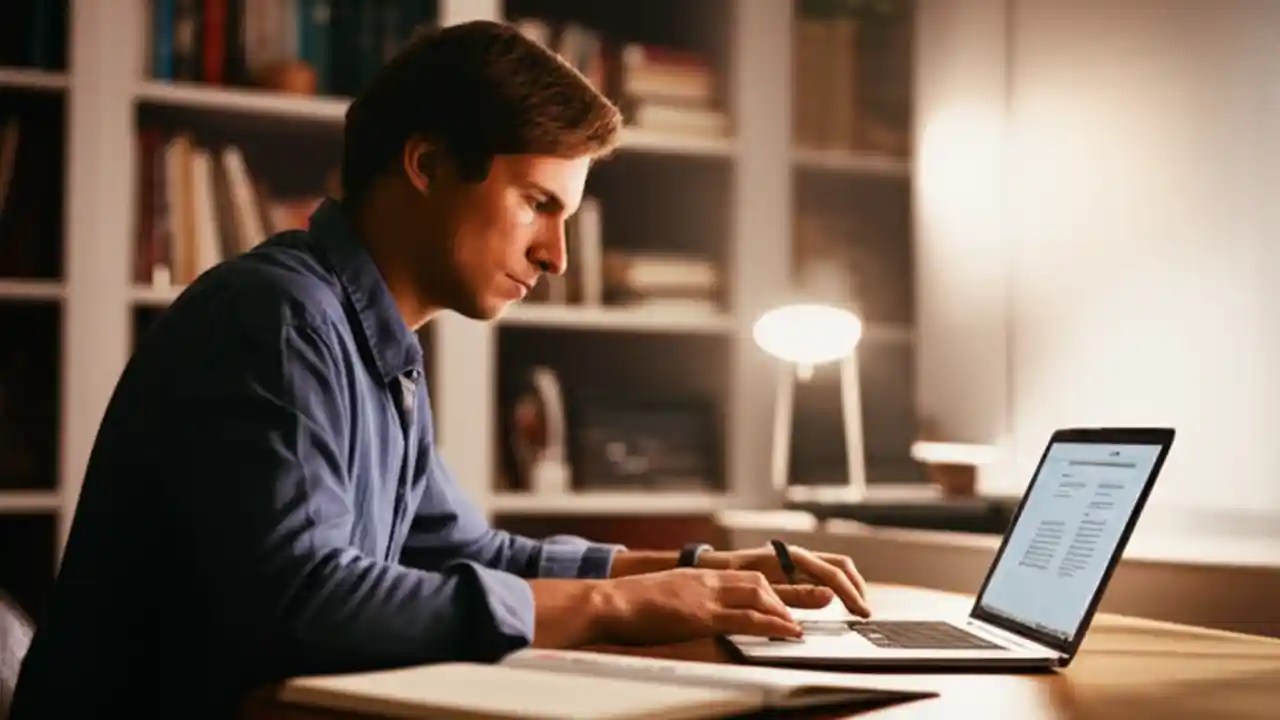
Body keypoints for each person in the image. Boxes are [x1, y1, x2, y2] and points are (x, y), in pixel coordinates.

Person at [10, 20, 870, 720]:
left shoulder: (374, 344)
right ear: (425, 164)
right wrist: (621, 607)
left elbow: (467, 550)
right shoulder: (276, 321)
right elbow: (303, 603)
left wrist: (697, 570)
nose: (558, 256)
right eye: (538, 203)